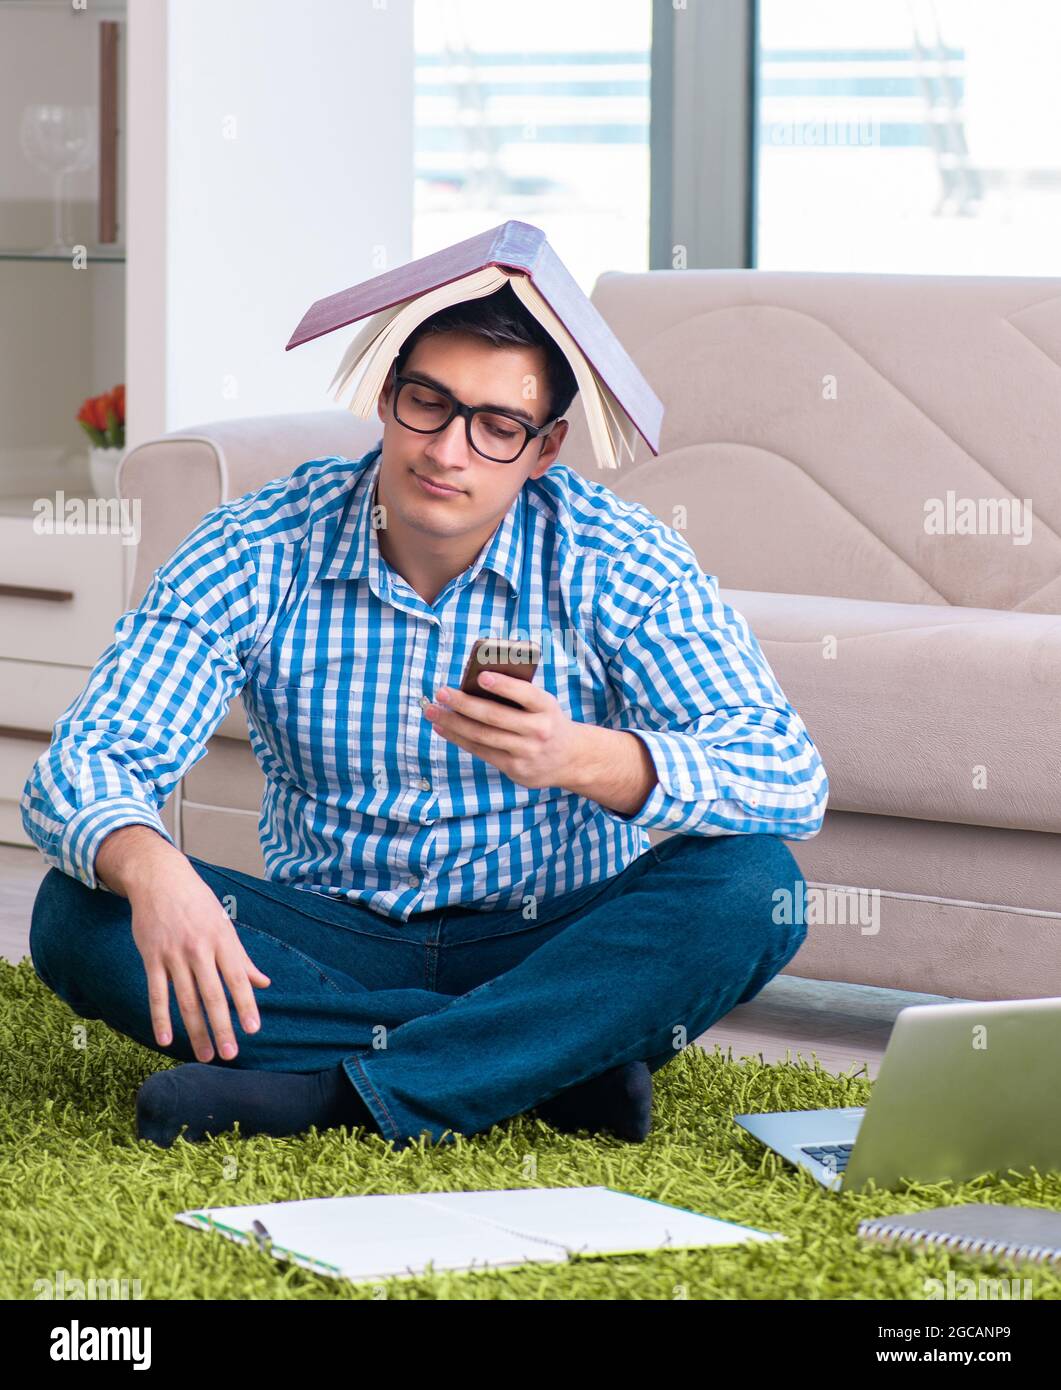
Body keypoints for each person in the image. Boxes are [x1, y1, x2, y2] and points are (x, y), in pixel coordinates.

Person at [22, 283, 828, 1152]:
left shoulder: (614, 554)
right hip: (331, 935)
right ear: (386, 395)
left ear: (545, 448)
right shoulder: (257, 544)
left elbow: (785, 776)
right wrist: (150, 865)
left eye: (496, 426)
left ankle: (335, 1095)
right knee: (77, 913)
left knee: (758, 888)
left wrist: (581, 756)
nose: (448, 449)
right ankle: (542, 1062)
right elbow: (87, 759)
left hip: (542, 936)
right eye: (428, 404)